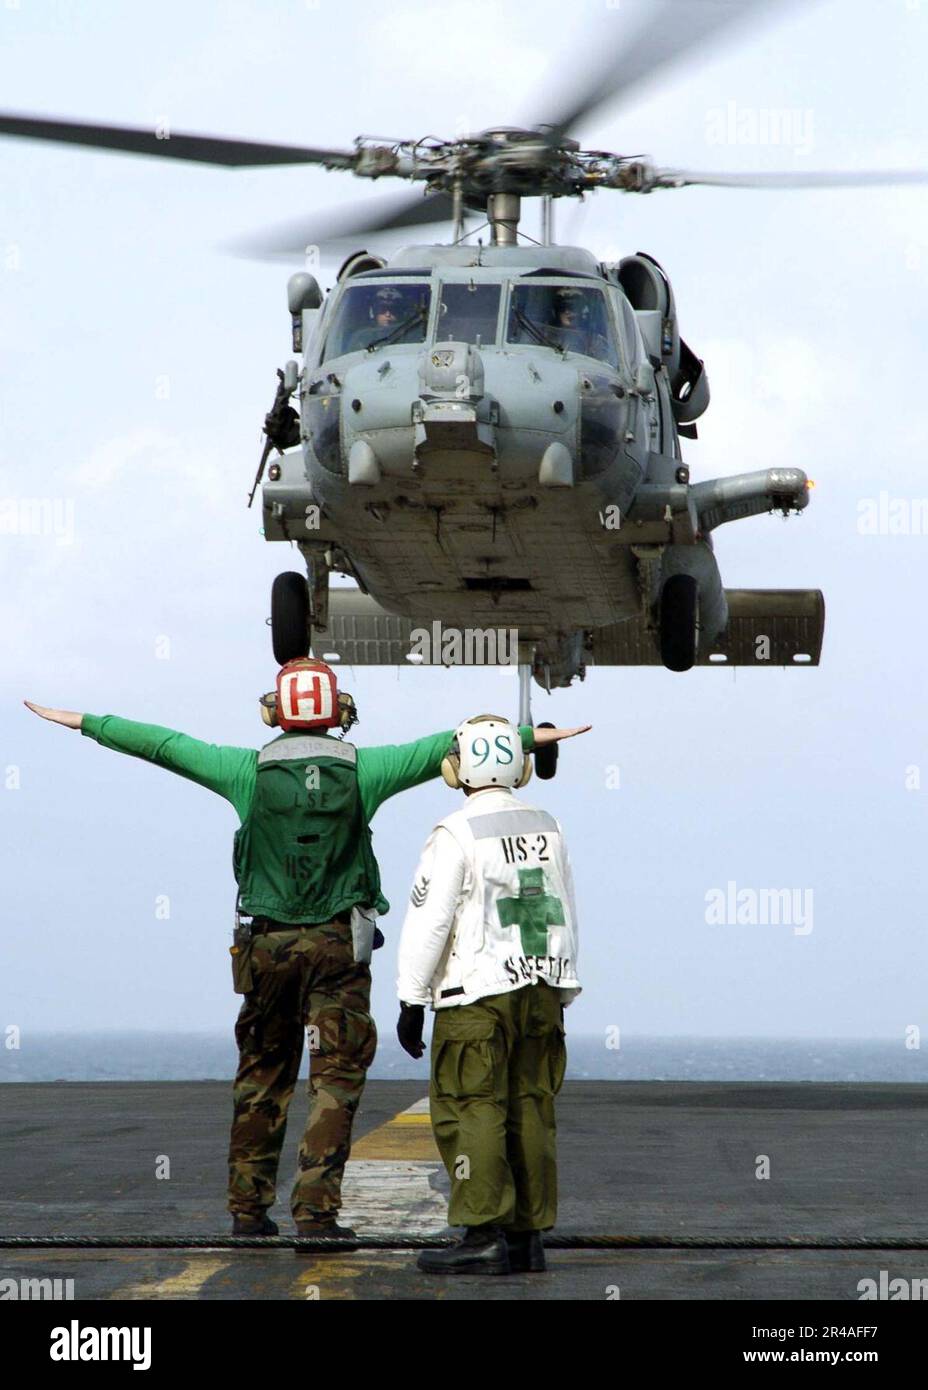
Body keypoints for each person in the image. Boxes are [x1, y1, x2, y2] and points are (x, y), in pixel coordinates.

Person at [24, 670, 585, 1241]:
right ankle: (316, 1215)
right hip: (339, 951)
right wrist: (528, 735)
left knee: (262, 1074)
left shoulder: (246, 772)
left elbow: (163, 745)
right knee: (335, 1080)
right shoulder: (365, 771)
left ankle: (247, 1210)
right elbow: (449, 744)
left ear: (275, 713)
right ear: (338, 711)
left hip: (265, 950)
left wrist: (87, 722)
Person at [395, 713, 586, 1275]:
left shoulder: (454, 833)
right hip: (541, 985)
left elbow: (430, 921)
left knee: (470, 1107)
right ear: (519, 766)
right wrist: (564, 985)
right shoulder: (549, 824)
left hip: (475, 993)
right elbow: (567, 906)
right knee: (531, 1104)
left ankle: (481, 1233)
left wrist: (410, 997)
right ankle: (528, 1238)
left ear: (459, 768)